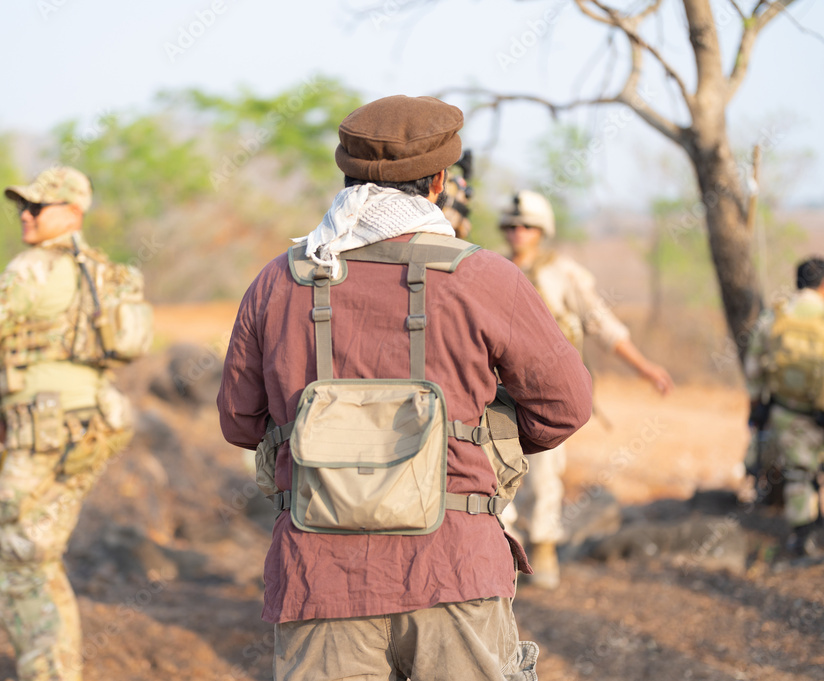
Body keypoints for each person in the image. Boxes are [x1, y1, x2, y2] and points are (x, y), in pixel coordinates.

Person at [218, 95, 593, 681]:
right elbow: (566, 407)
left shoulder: (278, 281)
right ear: (440, 182)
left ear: (346, 177)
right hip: (456, 568)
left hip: (320, 578)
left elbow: (239, 422)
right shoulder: (485, 276)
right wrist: (475, 438)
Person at [0, 167, 135, 681]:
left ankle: (48, 673)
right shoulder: (102, 270)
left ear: (73, 212)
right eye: (23, 207)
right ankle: (58, 667)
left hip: (44, 432)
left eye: (38, 207)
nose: (26, 216)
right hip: (91, 424)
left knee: (15, 558)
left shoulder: (32, 267)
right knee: (39, 554)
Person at [497, 189, 674, 588]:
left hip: (542, 396)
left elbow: (600, 323)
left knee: (543, 476)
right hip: (495, 393)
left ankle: (543, 554)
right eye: (511, 226)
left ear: (542, 230)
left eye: (526, 226)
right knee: (495, 472)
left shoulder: (564, 273)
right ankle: (504, 561)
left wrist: (645, 369)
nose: (518, 233)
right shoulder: (492, 269)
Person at [744, 257, 824, 557]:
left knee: (798, 474)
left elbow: (754, 368)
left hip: (788, 411)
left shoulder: (776, 317)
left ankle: (804, 538)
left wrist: (756, 406)